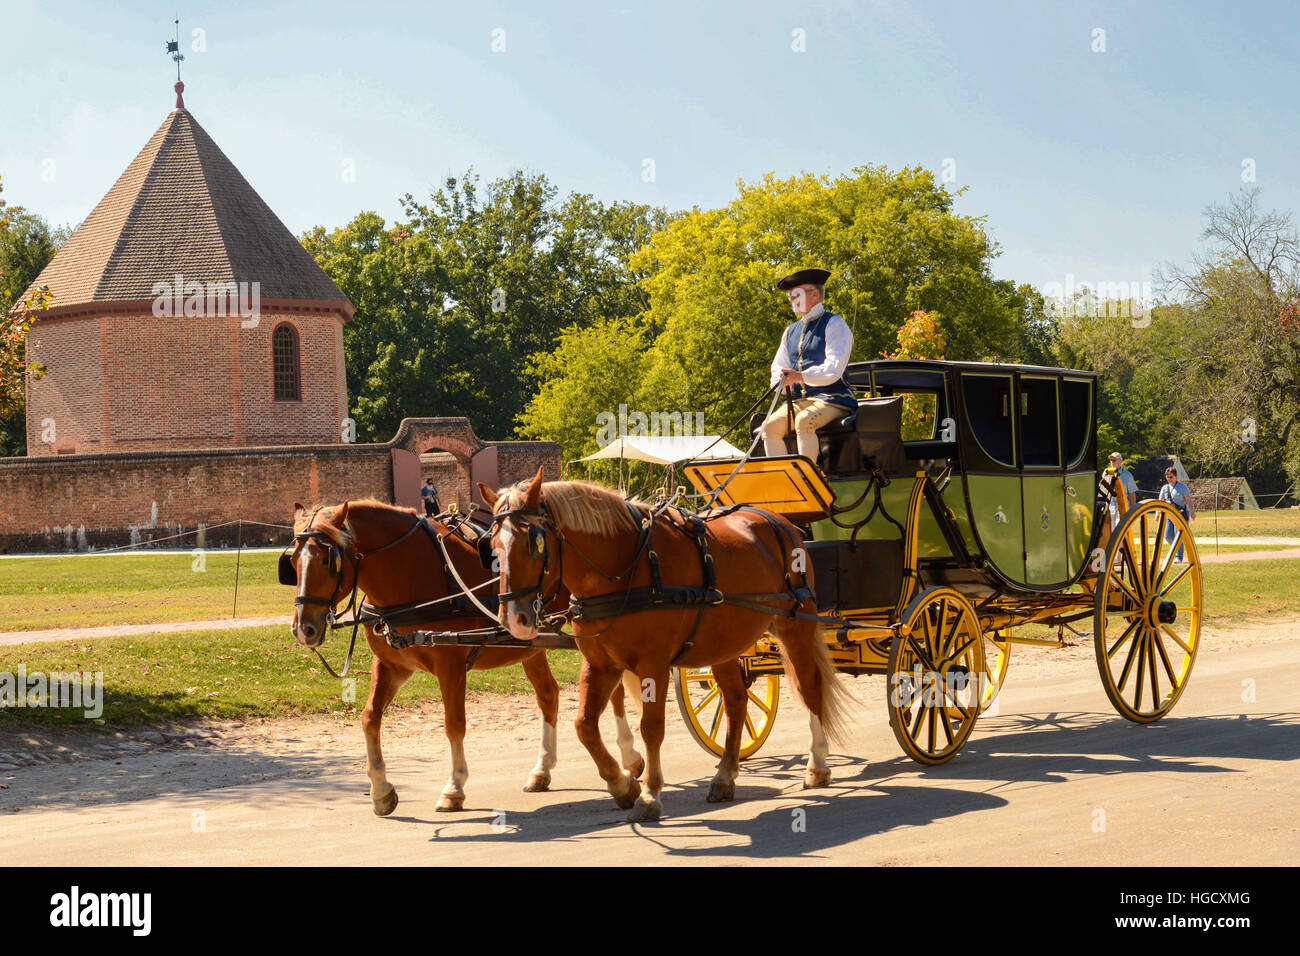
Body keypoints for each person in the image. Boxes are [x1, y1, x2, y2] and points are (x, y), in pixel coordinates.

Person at [759, 267, 856, 464]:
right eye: (790, 295)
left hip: (833, 399)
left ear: (814, 294)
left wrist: (800, 376)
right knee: (768, 427)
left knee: (805, 420)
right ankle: (785, 480)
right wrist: (781, 381)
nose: (790, 299)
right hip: (798, 401)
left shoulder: (835, 324)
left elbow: (834, 368)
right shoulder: (790, 331)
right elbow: (778, 366)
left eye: (796, 294)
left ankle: (807, 479)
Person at [1159, 466, 1195, 562]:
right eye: (1167, 477)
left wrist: (1192, 512)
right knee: (1167, 536)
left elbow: (1188, 500)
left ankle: (1179, 557)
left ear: (1176, 476)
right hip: (1169, 515)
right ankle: (1176, 548)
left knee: (1178, 535)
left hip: (1181, 515)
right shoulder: (1164, 488)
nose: (1169, 479)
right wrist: (1157, 514)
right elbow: (1160, 501)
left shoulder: (1182, 487)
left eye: (1171, 477)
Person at [1106, 452, 1138, 529]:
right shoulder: (1106, 473)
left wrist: (1133, 510)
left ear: (1120, 461)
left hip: (1123, 508)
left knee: (1119, 531)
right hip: (1110, 508)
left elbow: (1132, 494)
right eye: (1111, 460)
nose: (1112, 462)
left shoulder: (1128, 475)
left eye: (1114, 460)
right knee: (1111, 533)